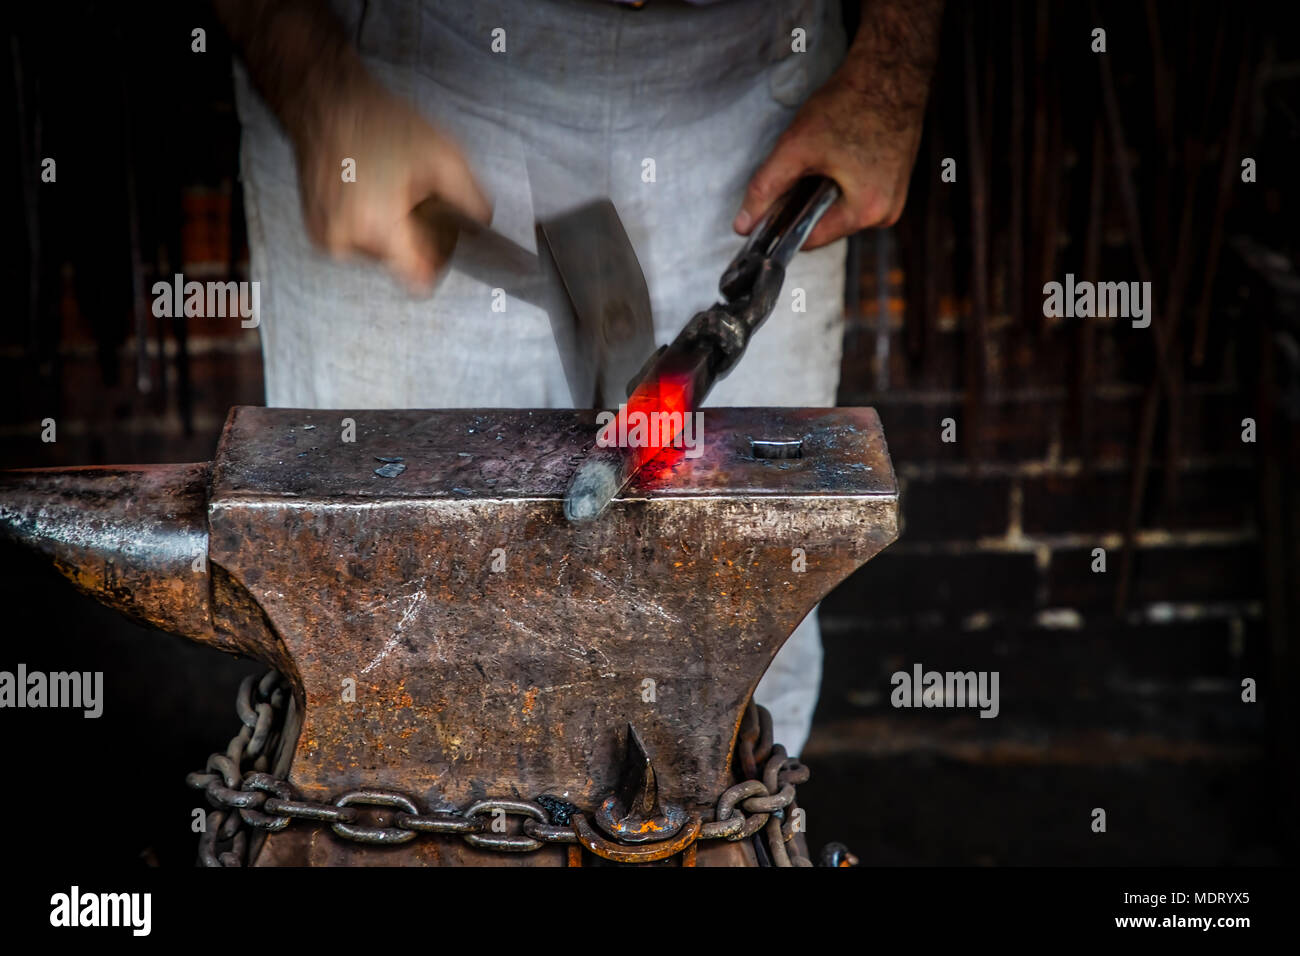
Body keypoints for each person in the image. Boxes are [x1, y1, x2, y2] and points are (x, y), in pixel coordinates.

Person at [216, 0, 941, 756]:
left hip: (758, 88)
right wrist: (317, 81)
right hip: (411, 72)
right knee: (377, 637)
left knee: (742, 653)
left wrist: (891, 69)